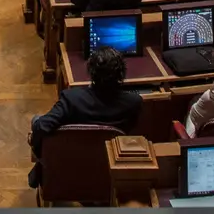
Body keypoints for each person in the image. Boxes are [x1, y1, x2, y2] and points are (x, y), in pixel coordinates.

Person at [29, 46, 141, 186]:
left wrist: (39, 151)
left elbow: (42, 126)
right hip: (109, 165)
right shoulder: (134, 103)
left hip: (71, 162)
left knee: (36, 120)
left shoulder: (72, 99)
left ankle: (41, 167)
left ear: (91, 72)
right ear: (121, 74)